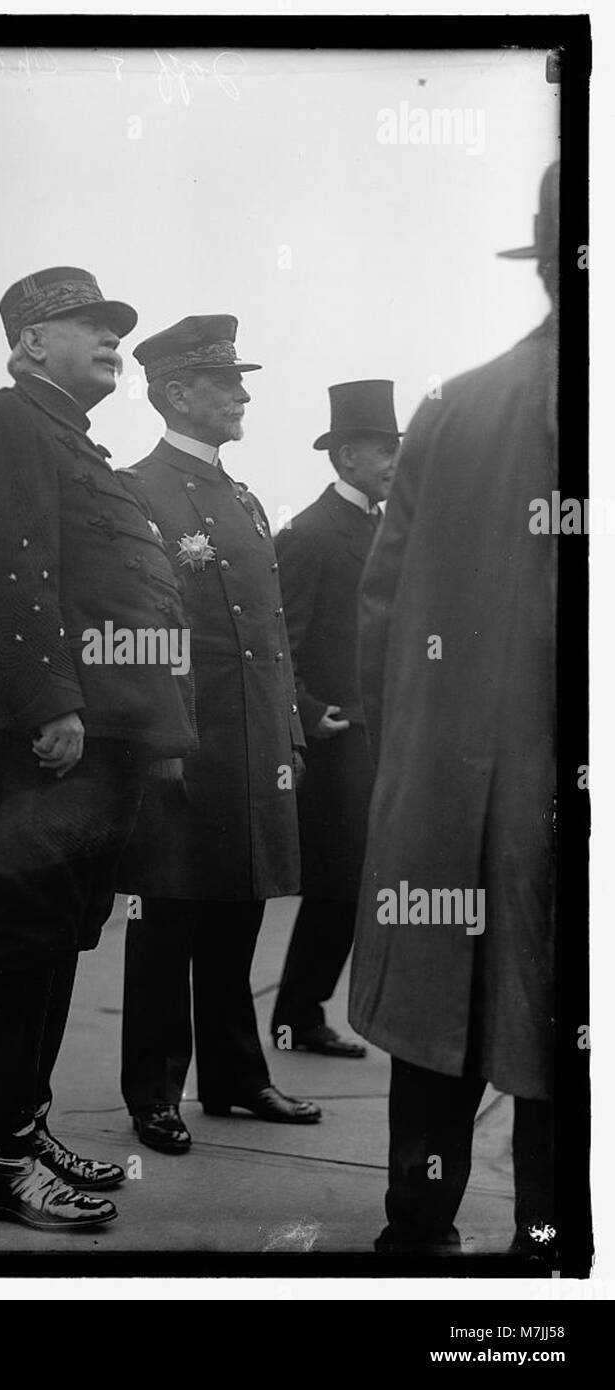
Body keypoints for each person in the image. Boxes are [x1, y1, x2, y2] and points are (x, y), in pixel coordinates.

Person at [0, 267, 197, 1230]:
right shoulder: (7, 422)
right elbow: (11, 571)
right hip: (30, 737)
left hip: (91, 736)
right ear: (28, 341)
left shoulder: (72, 438)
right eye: (88, 324)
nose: (112, 340)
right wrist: (53, 702)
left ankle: (22, 1127)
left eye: (115, 329)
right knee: (25, 945)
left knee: (52, 944)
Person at [348, 162, 559, 1257]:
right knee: (561, 1020)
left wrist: (414, 762)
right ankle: (553, 1248)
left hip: (438, 782)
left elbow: (380, 615)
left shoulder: (450, 405)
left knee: (439, 1018)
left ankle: (416, 1229)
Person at [117, 314, 321, 1156]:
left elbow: (271, 635)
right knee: (166, 918)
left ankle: (236, 1075)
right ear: (173, 393)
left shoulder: (239, 497)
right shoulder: (136, 489)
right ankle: (154, 1091)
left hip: (250, 743)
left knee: (235, 914)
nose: (240, 394)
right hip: (186, 741)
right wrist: (160, 739)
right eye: (224, 381)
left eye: (239, 380)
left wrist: (289, 731)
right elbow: (137, 625)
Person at [271, 382, 401, 1059]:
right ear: (347, 456)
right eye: (383, 450)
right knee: (339, 883)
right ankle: (298, 1013)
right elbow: (278, 645)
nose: (393, 462)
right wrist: (308, 713)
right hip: (337, 741)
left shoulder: (380, 526)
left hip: (376, 739)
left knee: (350, 883)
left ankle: (302, 1012)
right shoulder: (310, 535)